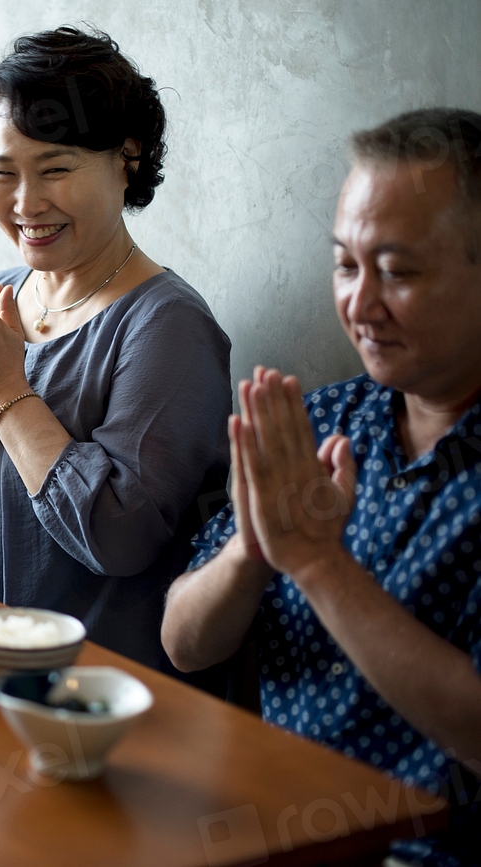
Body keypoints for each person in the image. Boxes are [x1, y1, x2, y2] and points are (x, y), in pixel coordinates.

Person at [161, 108, 481, 865]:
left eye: (397, 271)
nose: (359, 305)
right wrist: (252, 550)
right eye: (346, 264)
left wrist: (318, 562)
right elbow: (183, 641)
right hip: (263, 824)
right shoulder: (317, 422)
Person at [0, 27, 232, 675]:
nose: (26, 203)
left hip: (91, 701)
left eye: (56, 168)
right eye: (2, 172)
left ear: (127, 156)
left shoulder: (169, 325)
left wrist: (7, 394)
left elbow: (120, 534)